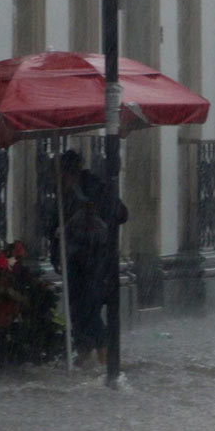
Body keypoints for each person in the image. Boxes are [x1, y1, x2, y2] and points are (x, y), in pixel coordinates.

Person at [56, 149, 128, 368]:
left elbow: (121, 214)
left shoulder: (94, 188)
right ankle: (85, 352)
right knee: (78, 309)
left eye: (59, 174)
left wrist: (94, 211)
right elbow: (56, 225)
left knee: (89, 307)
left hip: (94, 259)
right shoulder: (64, 194)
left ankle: (104, 356)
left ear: (68, 172)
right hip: (74, 260)